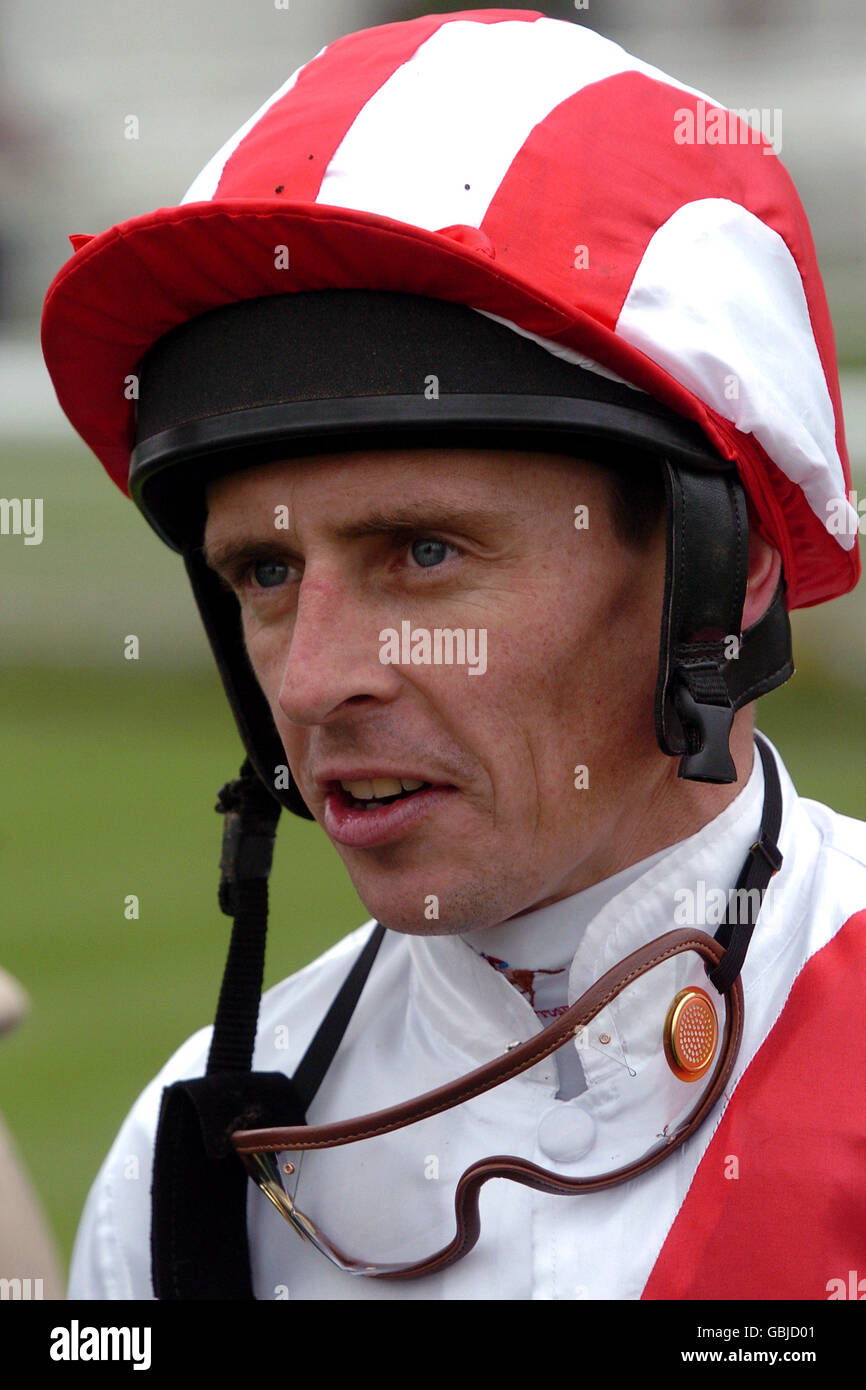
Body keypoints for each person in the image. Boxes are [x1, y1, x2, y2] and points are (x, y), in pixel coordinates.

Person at [42, 9, 865, 1301]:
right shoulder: (182, 1158)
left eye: (422, 552)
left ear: (726, 574)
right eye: (263, 571)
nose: (313, 681)